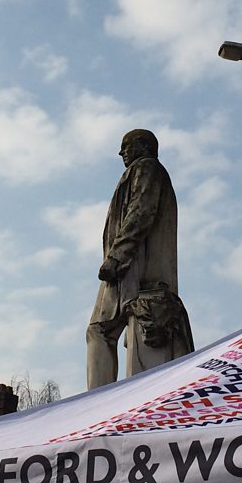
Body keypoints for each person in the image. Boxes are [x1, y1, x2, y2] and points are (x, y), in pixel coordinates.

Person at [86, 129, 193, 390]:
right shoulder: (139, 172)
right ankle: (99, 397)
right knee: (99, 330)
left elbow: (140, 212)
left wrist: (116, 257)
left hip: (133, 269)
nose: (121, 153)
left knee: (103, 329)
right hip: (128, 270)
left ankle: (98, 397)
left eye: (126, 146)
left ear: (143, 146)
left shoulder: (147, 168)